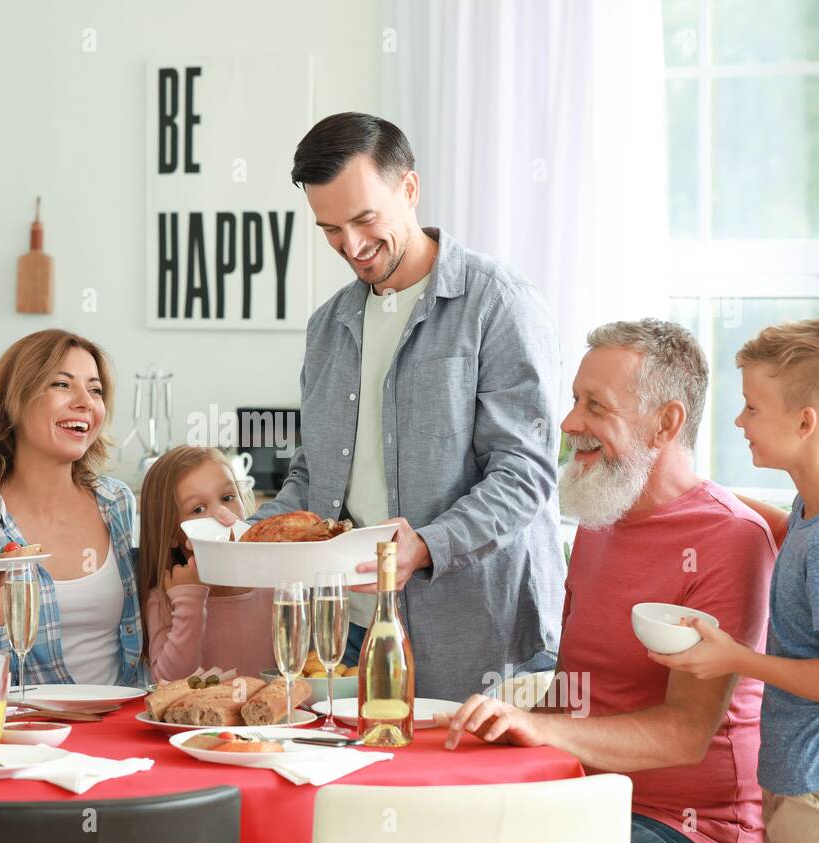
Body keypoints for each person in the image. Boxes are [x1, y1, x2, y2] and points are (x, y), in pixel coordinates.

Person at [210, 112, 563, 697]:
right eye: (330, 229)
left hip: (477, 634)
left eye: (364, 219)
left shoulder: (498, 305)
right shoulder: (328, 327)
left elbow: (524, 473)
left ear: (410, 189)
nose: (351, 246)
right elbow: (315, 476)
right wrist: (243, 538)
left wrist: (427, 545)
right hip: (347, 632)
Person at [440, 320, 776, 843]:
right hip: (578, 797)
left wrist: (538, 727)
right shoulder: (601, 515)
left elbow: (686, 734)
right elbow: (575, 690)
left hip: (687, 831)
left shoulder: (729, 538)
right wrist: (502, 731)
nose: (570, 423)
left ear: (666, 423)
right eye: (576, 401)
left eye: (596, 406)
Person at [655, 318, 819, 843]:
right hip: (817, 784)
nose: (740, 421)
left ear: (806, 422)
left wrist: (735, 658)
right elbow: (794, 534)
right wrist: (699, 492)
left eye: (752, 407)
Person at [0, 329, 144, 686]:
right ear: (15, 400)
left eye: (95, 390)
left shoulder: (116, 503)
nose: (85, 402)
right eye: (62, 384)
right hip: (29, 719)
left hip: (122, 716)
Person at [138, 445, 274, 682]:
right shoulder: (165, 599)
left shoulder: (275, 586)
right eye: (198, 509)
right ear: (171, 534)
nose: (221, 515)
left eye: (228, 498)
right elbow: (168, 683)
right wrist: (189, 600)